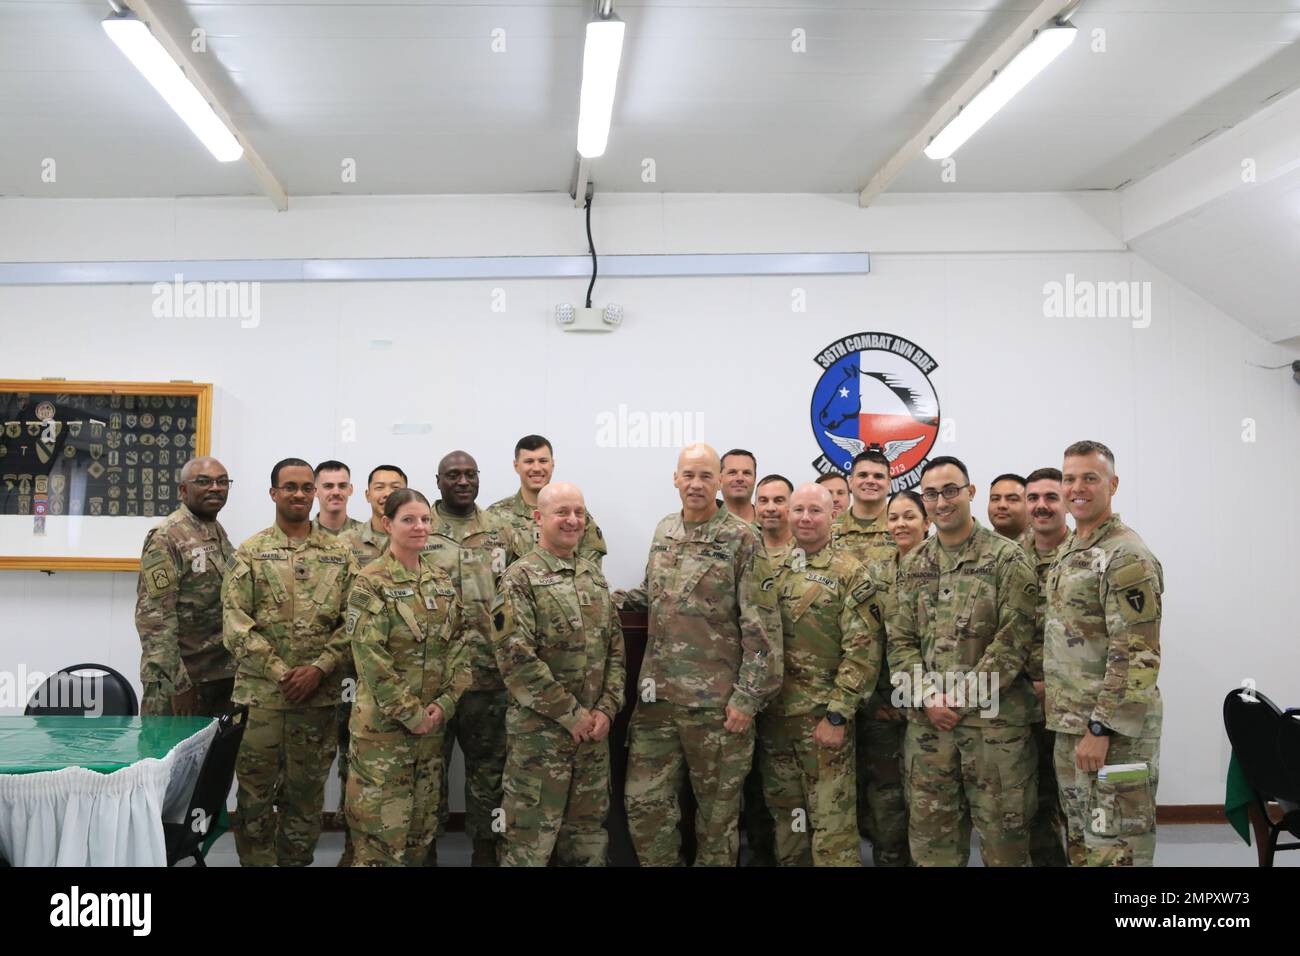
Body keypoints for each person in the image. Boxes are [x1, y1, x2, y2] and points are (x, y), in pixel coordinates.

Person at [616, 442, 782, 866]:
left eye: (706, 475)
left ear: (720, 482)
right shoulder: (664, 529)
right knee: (645, 807)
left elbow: (762, 627)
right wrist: (606, 599)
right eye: (688, 475)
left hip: (717, 709)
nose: (696, 484)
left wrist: (747, 699)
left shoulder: (742, 539)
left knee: (716, 820)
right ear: (675, 478)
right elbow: (657, 595)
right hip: (658, 704)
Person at [887, 456, 1039, 867]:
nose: (942, 501)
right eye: (932, 494)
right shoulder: (913, 563)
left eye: (951, 490)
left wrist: (957, 700)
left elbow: (1013, 642)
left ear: (970, 493)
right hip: (928, 732)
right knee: (932, 846)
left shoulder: (1007, 559)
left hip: (995, 734)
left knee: (1004, 844)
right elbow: (899, 641)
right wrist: (927, 698)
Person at [222, 458, 358, 867]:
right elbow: (234, 624)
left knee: (305, 797)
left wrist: (319, 668)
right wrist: (282, 673)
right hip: (263, 700)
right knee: (254, 798)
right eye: (290, 487)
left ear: (314, 492)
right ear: (273, 493)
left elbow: (354, 622)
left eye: (305, 487)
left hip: (317, 701)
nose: (299, 494)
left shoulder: (340, 554)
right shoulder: (251, 551)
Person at [493, 482, 626, 866]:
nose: (572, 521)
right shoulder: (519, 579)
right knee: (528, 846)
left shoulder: (594, 577)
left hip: (592, 742)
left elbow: (615, 650)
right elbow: (516, 660)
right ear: (539, 518)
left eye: (578, 513)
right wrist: (574, 716)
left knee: (587, 843)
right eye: (562, 512)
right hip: (540, 743)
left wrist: (607, 710)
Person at [1045, 441, 1163, 867]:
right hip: (1071, 726)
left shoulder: (1126, 554)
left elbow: (1138, 653)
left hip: (1112, 733)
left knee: (1115, 848)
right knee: (1082, 839)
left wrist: (1102, 726)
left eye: (1089, 478)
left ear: (1112, 484)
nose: (1077, 487)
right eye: (1070, 478)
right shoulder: (1073, 548)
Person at [758, 483, 884, 866]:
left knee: (832, 830)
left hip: (822, 724)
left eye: (815, 510)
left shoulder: (851, 573)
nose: (805, 518)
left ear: (833, 516)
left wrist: (837, 714)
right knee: (788, 822)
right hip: (776, 722)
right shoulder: (771, 569)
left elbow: (863, 652)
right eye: (798, 510)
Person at [344, 488, 471, 866]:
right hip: (384, 737)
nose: (420, 527)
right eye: (408, 519)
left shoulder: (440, 581)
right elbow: (370, 659)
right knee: (379, 843)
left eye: (425, 519)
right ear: (388, 524)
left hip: (430, 735)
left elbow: (461, 647)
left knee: (420, 836)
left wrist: (443, 706)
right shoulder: (371, 583)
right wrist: (413, 714)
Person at [425, 450, 524, 866]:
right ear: (438, 481)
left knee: (490, 774)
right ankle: (423, 851)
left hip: (489, 677)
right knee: (428, 775)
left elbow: (522, 589)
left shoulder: (500, 531)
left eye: (470, 474)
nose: (462, 482)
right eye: (453, 475)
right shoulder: (419, 526)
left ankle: (485, 852)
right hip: (433, 678)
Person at [335, 462, 407, 866]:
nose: (385, 492)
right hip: (354, 672)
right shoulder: (347, 543)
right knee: (355, 766)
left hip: (409, 677)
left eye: (394, 486)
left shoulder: (422, 540)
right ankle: (355, 848)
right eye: (378, 486)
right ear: (367, 495)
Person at [831, 449, 901, 860]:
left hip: (886, 682)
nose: (871, 481)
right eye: (863, 474)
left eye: (879, 475)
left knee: (887, 789)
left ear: (890, 482)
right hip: (832, 676)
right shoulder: (830, 530)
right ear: (851, 480)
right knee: (837, 787)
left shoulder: (902, 527)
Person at [135, 455, 236, 717]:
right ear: (183, 490)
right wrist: (177, 684)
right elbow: (154, 619)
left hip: (215, 677)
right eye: (203, 481)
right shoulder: (167, 536)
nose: (215, 488)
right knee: (168, 757)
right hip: (182, 683)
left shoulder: (214, 530)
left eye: (222, 482)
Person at [1022, 467, 1071, 866]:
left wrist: (1052, 683)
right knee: (1035, 803)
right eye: (1034, 498)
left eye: (1050, 497)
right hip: (1022, 703)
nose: (1041, 505)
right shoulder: (1009, 558)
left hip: (1075, 705)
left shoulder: (1086, 556)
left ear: (1066, 502)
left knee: (1082, 804)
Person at [486, 434, 608, 568]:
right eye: (529, 461)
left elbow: (590, 572)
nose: (537, 468)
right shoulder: (494, 516)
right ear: (516, 465)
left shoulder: (574, 514)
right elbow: (490, 573)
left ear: (553, 464)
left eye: (543, 461)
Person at [312, 460, 362, 536]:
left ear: (350, 489)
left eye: (342, 486)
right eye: (328, 486)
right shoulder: (302, 533)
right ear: (315, 490)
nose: (336, 492)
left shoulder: (366, 535)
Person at [755, 474, 794, 566]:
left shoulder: (809, 547)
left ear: (792, 506)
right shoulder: (742, 547)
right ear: (755, 507)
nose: (770, 508)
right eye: (763, 500)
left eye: (778, 500)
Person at [720, 448, 758, 524]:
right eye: (732, 472)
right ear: (720, 478)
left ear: (754, 478)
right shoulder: (703, 524)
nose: (740, 478)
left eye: (746, 473)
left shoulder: (769, 524)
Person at [988, 473, 1029, 541]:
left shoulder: (1046, 544)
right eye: (995, 499)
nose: (1002, 505)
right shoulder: (977, 545)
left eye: (1012, 499)